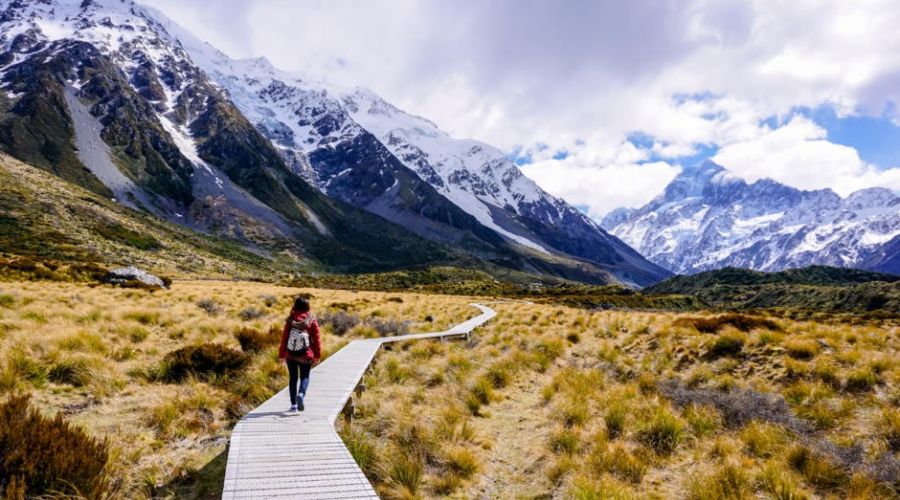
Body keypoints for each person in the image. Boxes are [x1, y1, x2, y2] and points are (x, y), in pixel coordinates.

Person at [278, 296, 321, 411]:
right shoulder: (311, 319)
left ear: (295, 305)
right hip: (306, 355)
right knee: (305, 376)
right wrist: (317, 355)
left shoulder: (290, 320)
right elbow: (316, 339)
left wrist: (282, 355)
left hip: (290, 354)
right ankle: (301, 395)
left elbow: (284, 339)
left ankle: (293, 405)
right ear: (307, 306)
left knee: (293, 378)